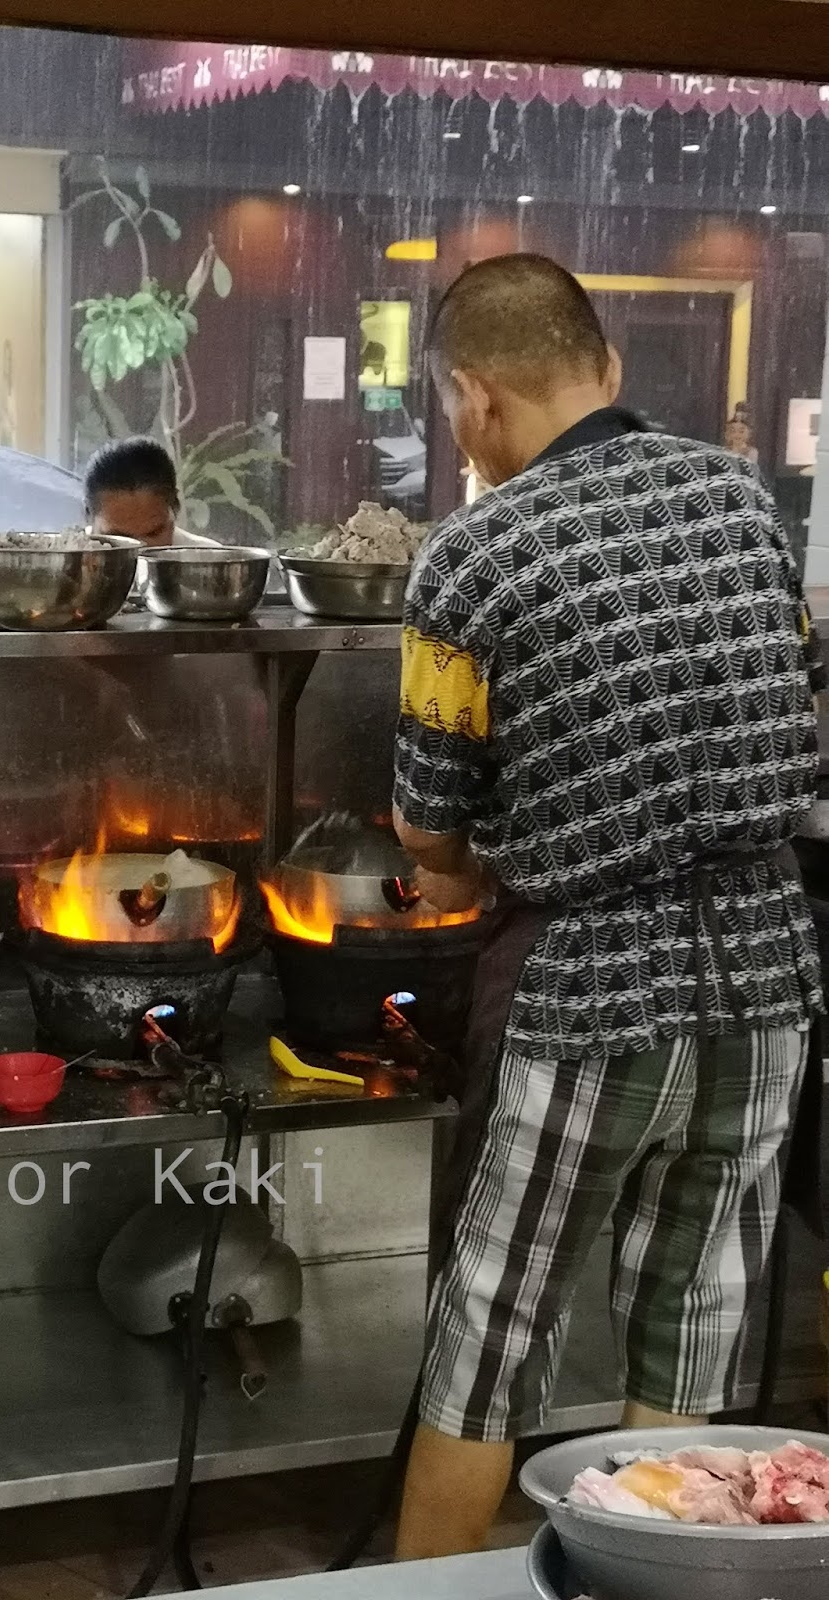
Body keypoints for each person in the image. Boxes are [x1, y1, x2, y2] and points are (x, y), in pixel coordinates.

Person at [391, 254, 824, 1559]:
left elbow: (428, 819)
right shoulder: (738, 495)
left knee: (492, 1326)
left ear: (471, 399)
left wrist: (454, 877)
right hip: (767, 976)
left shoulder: (467, 559)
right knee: (692, 1317)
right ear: (607, 373)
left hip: (589, 990)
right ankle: (671, 1583)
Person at [83, 435, 217, 548]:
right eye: (119, 538)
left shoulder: (211, 563)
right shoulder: (66, 567)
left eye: (154, 533)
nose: (138, 551)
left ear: (175, 507)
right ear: (88, 516)